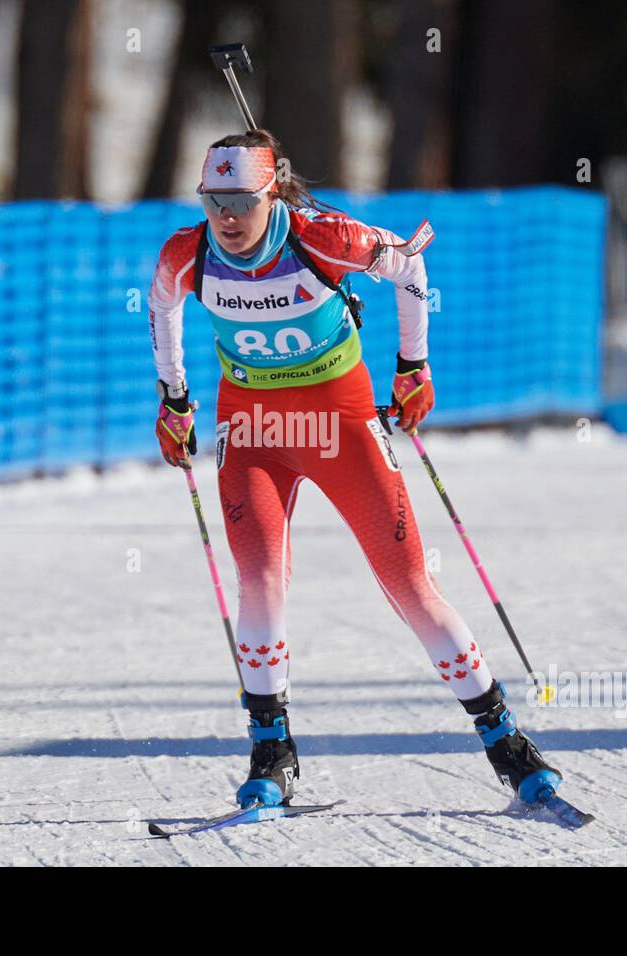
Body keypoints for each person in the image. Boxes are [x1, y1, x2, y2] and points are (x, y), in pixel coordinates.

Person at [146, 129, 560, 809]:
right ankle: (271, 751)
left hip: (342, 426)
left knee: (410, 585)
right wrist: (175, 398)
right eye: (214, 199)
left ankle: (506, 741)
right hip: (254, 434)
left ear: (271, 190)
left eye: (241, 200)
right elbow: (160, 305)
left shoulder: (323, 237)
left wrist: (413, 366)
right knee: (260, 581)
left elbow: (409, 268)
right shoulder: (187, 255)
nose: (226, 216)